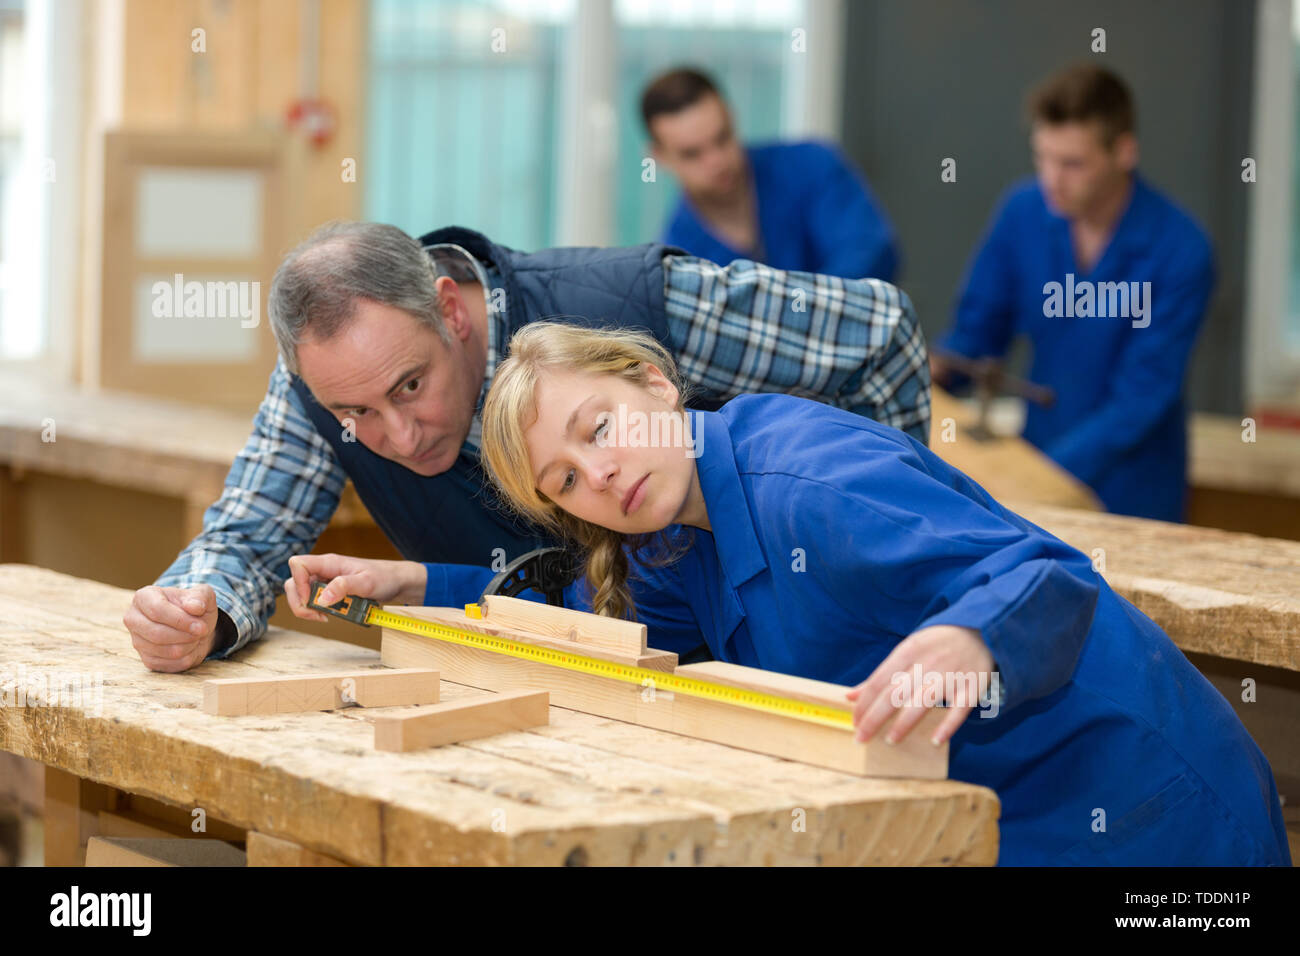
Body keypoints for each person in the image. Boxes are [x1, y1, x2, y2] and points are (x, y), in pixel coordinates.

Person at [286, 322, 1289, 866]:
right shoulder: (671, 535)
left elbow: (1050, 575)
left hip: (1147, 805)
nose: (602, 476)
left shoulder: (807, 478)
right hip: (998, 814)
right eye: (564, 482)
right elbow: (608, 641)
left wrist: (969, 643)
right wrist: (417, 584)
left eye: (599, 428)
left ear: (652, 381)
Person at [124, 221, 931, 672]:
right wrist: (197, 610)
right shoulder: (327, 376)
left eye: (410, 387)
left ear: (452, 310)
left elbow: (880, 334)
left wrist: (857, 545)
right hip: (584, 670)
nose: (396, 437)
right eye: (356, 412)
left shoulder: (639, 307)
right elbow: (246, 541)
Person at [931, 64, 1214, 522]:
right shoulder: (1021, 213)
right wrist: (934, 370)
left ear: (1124, 152)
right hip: (1035, 475)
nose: (1052, 180)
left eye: (1072, 164)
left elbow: (1140, 399)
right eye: (1042, 157)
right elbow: (977, 333)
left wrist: (1039, 476)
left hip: (1132, 497)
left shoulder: (1181, 249)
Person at [643, 67, 899, 280]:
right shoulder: (677, 259)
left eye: (722, 138)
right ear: (660, 156)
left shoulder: (812, 165)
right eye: (692, 154)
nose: (717, 161)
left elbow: (873, 253)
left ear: (732, 117)